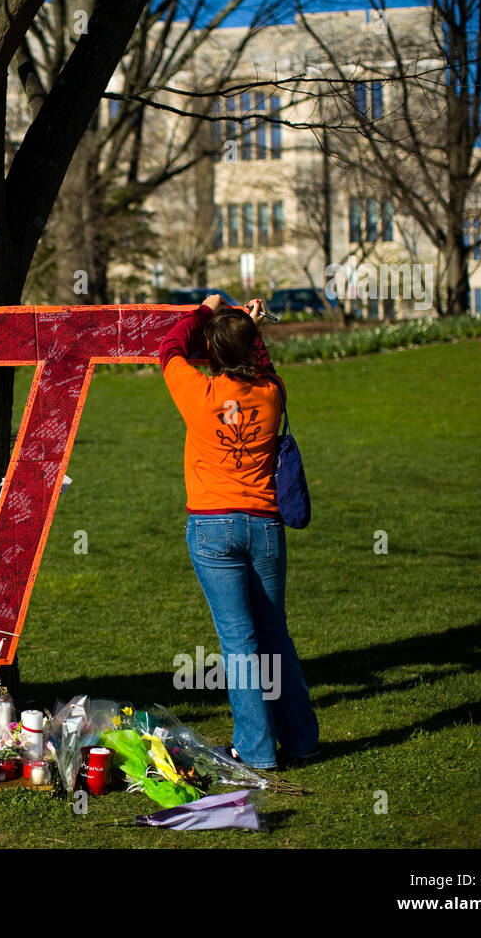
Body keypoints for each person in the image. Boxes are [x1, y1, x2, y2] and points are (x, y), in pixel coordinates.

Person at [158, 293, 319, 770]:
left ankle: (254, 751)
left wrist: (206, 311)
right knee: (275, 638)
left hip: (212, 527)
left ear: (213, 353)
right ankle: (302, 741)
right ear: (252, 349)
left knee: (239, 645)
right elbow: (261, 365)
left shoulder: (201, 392)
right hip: (265, 526)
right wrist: (248, 328)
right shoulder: (273, 393)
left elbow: (169, 348)